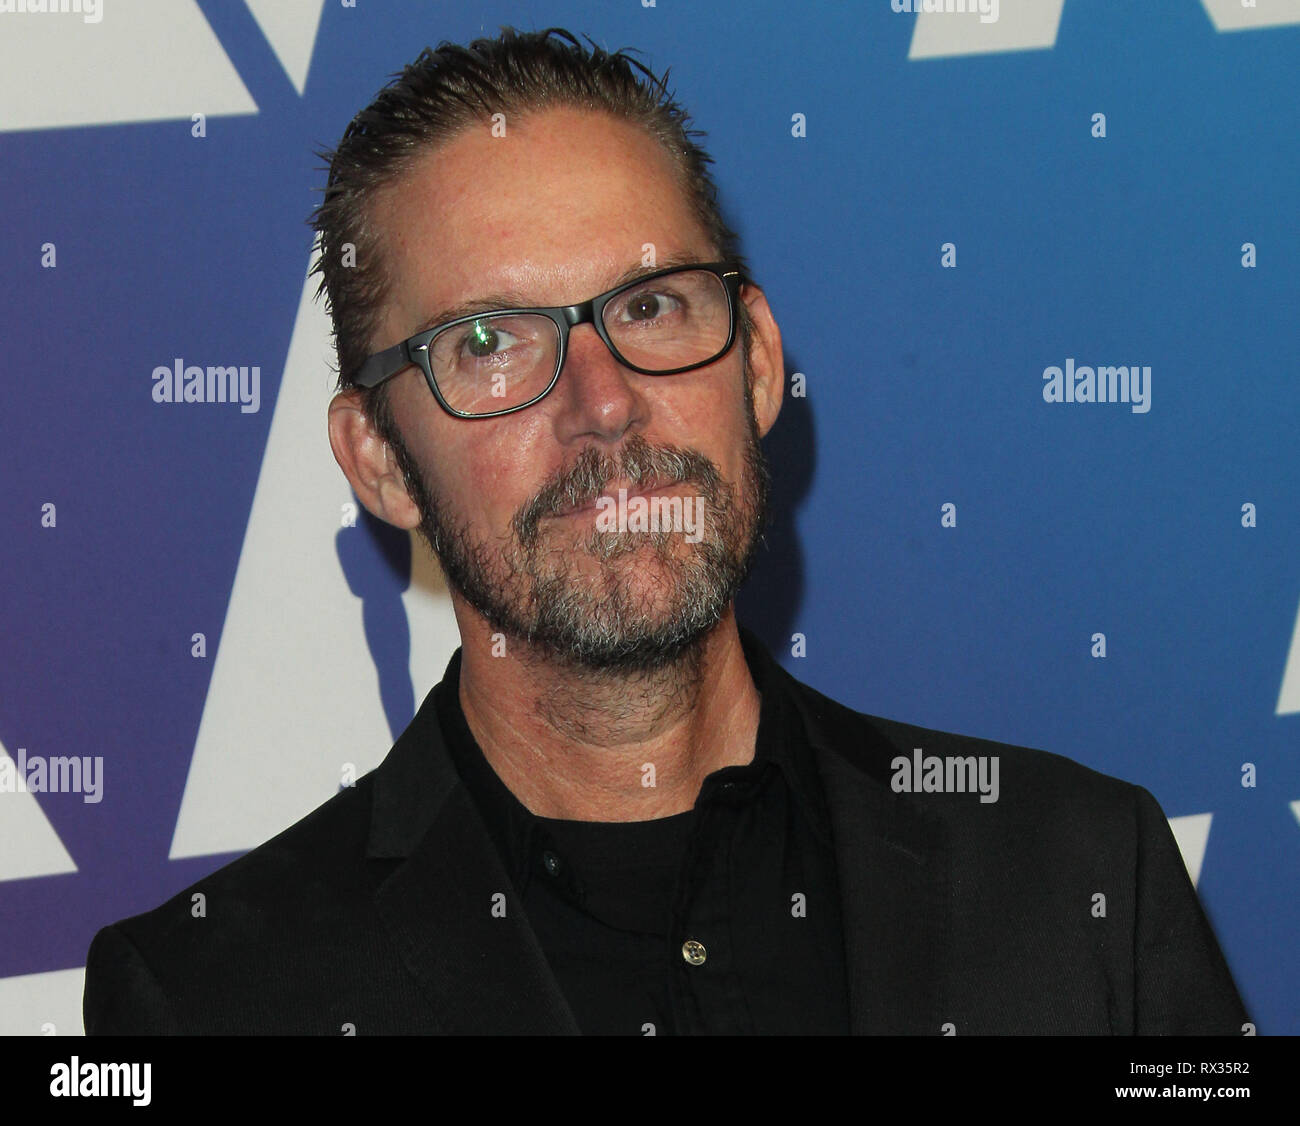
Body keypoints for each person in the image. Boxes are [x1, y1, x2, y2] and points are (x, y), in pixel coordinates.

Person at [83, 27, 1247, 1035]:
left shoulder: (1082, 879)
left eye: (647, 305)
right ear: (380, 460)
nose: (602, 403)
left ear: (756, 366)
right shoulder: (212, 996)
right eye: (490, 341)